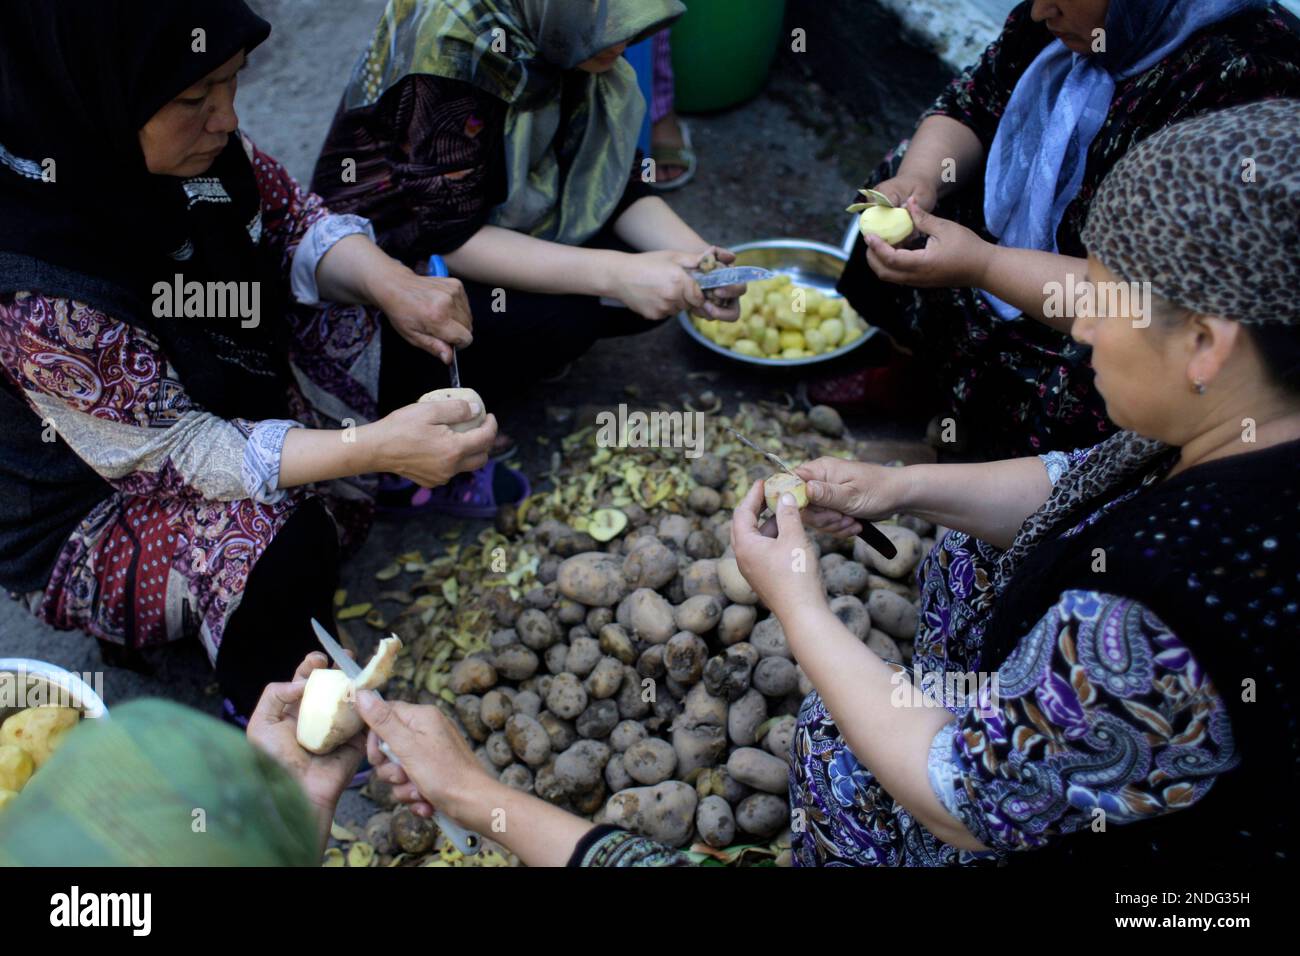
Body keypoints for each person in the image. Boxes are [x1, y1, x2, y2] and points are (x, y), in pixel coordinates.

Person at [359, 101, 1300, 866]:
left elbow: (966, 800)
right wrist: (899, 490)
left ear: (1207, 344)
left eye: (1098, 299)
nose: (1078, 323)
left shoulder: (1163, 617)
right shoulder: (1240, 427)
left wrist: (798, 605)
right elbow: (1079, 486)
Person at [0, 0, 504, 721]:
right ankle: (277, 700)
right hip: (90, 507)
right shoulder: (35, 285)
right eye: (194, 98)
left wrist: (396, 285)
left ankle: (390, 473)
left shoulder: (191, 152)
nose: (227, 118)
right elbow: (179, 453)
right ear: (99, 92)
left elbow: (292, 222)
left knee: (379, 301)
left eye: (232, 82)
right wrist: (370, 446)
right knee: (261, 534)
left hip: (199, 388)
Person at [825, 0, 1300, 458]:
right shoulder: (1063, 17)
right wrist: (920, 180)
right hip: (1032, 257)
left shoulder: (1244, 77)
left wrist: (986, 266)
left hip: (1117, 300)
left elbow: (1157, 301)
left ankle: (1018, 476)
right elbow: (972, 106)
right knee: (907, 177)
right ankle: (917, 383)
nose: (1038, 11)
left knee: (1110, 354)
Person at [309, 0, 744, 423]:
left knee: (650, 281)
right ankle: (443, 401)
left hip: (504, 205)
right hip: (403, 242)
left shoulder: (564, 28)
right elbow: (449, 237)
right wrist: (619, 275)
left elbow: (609, 177)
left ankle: (522, 349)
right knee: (573, 314)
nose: (625, 39)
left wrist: (701, 262)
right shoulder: (452, 52)